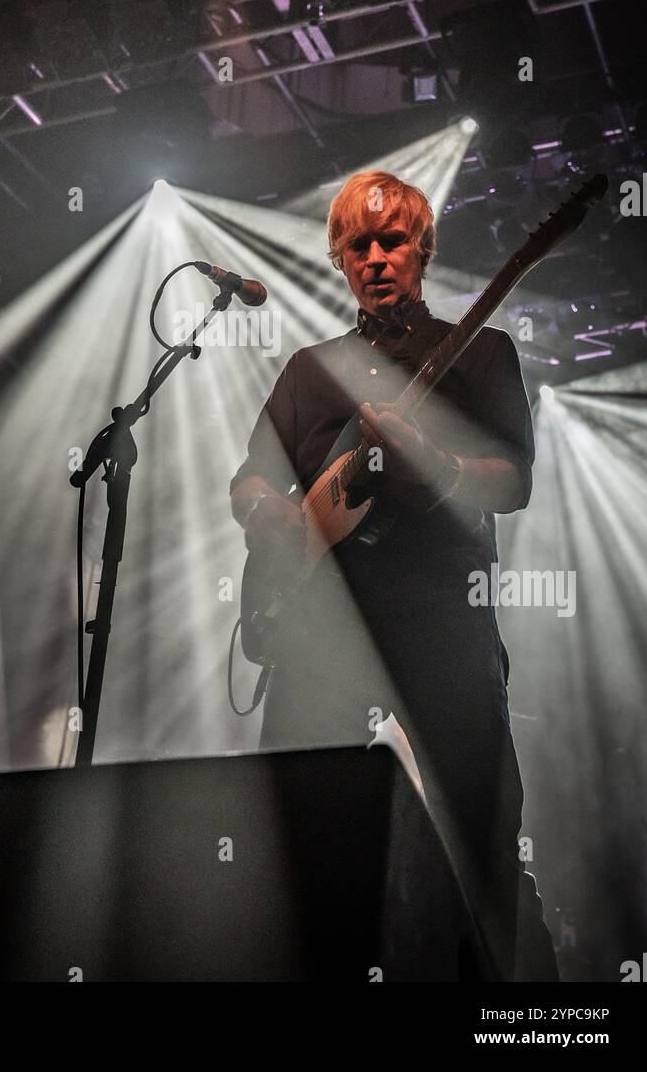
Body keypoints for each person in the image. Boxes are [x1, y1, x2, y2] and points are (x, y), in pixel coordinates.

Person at [229, 170, 559, 982]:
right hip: (318, 636)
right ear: (340, 261)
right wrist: (267, 513)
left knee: (480, 836)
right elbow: (250, 478)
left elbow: (513, 482)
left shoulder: (480, 352)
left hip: (441, 625)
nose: (376, 257)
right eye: (359, 245)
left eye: (393, 241)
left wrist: (443, 470)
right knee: (300, 830)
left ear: (422, 250)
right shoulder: (309, 372)